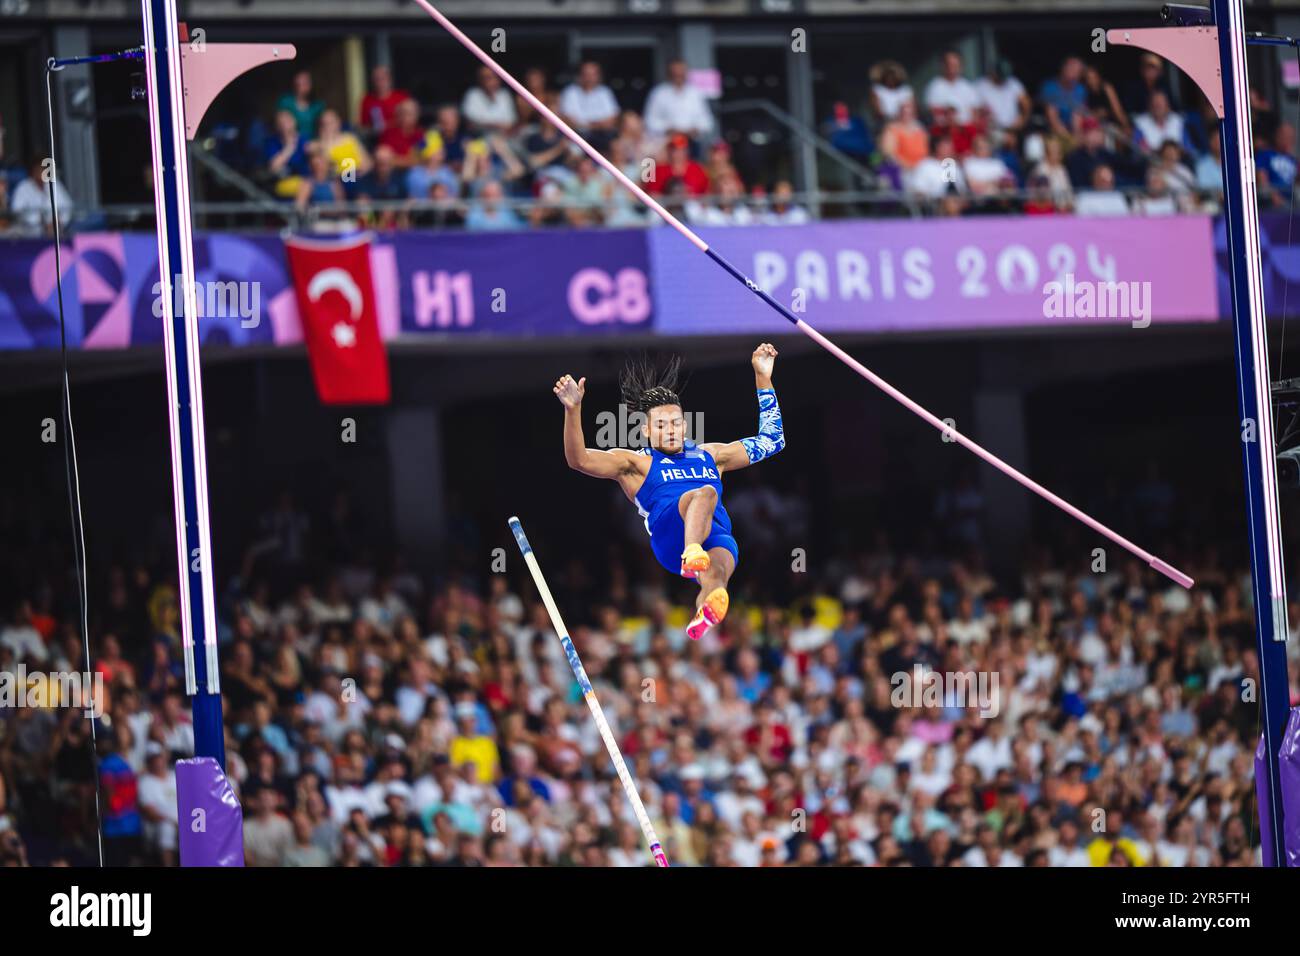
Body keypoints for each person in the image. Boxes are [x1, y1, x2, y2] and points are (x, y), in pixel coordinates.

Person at [552, 345, 785, 641]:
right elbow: (579, 460)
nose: (671, 430)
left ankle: (704, 611)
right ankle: (692, 552)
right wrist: (573, 410)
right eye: (661, 425)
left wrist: (762, 377)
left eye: (676, 423)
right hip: (671, 536)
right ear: (646, 431)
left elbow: (772, 439)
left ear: (685, 425)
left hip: (715, 533)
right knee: (704, 493)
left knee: (717, 579)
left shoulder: (710, 455)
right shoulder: (636, 463)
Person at [644, 58, 714, 143]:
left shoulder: (696, 93)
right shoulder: (659, 93)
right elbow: (650, 121)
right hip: (667, 143)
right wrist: (668, 129)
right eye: (675, 73)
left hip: (692, 142)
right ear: (669, 74)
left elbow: (707, 121)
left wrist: (696, 129)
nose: (678, 75)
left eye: (681, 72)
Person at [559, 61, 620, 149]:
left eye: (593, 74)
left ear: (598, 76)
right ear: (580, 75)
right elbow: (568, 120)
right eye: (586, 74)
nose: (589, 78)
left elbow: (612, 120)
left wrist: (585, 124)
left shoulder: (605, 92)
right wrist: (596, 124)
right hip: (577, 136)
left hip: (603, 137)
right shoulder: (570, 92)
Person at [9, 155, 73, 236]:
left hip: (57, 231)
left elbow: (68, 207)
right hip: (30, 234)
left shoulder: (54, 184)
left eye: (43, 169)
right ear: (33, 171)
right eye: (38, 169)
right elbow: (16, 211)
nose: (41, 172)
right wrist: (40, 223)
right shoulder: (23, 187)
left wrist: (59, 221)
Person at [923, 49, 980, 124]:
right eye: (949, 64)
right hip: (945, 130)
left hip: (968, 129)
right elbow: (933, 113)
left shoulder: (967, 86)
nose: (952, 68)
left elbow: (975, 112)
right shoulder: (935, 86)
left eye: (955, 65)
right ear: (943, 65)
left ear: (961, 66)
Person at [462, 65, 518, 136]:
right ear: (479, 79)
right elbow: (471, 122)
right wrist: (497, 125)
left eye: (493, 77)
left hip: (505, 137)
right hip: (479, 137)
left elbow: (511, 121)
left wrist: (490, 124)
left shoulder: (504, 95)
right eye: (486, 78)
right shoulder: (472, 94)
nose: (490, 81)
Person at [359, 64, 409, 138]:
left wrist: (388, 125)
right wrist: (373, 128)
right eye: (377, 79)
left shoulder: (402, 97)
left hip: (402, 137)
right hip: (377, 139)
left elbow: (411, 121)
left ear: (390, 79)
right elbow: (363, 127)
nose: (380, 82)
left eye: (383, 78)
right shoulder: (367, 100)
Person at [277, 71, 324, 144]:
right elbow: (281, 123)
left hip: (313, 141)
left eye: (305, 83)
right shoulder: (286, 101)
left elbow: (323, 126)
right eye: (298, 84)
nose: (302, 87)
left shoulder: (318, 105)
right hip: (290, 141)